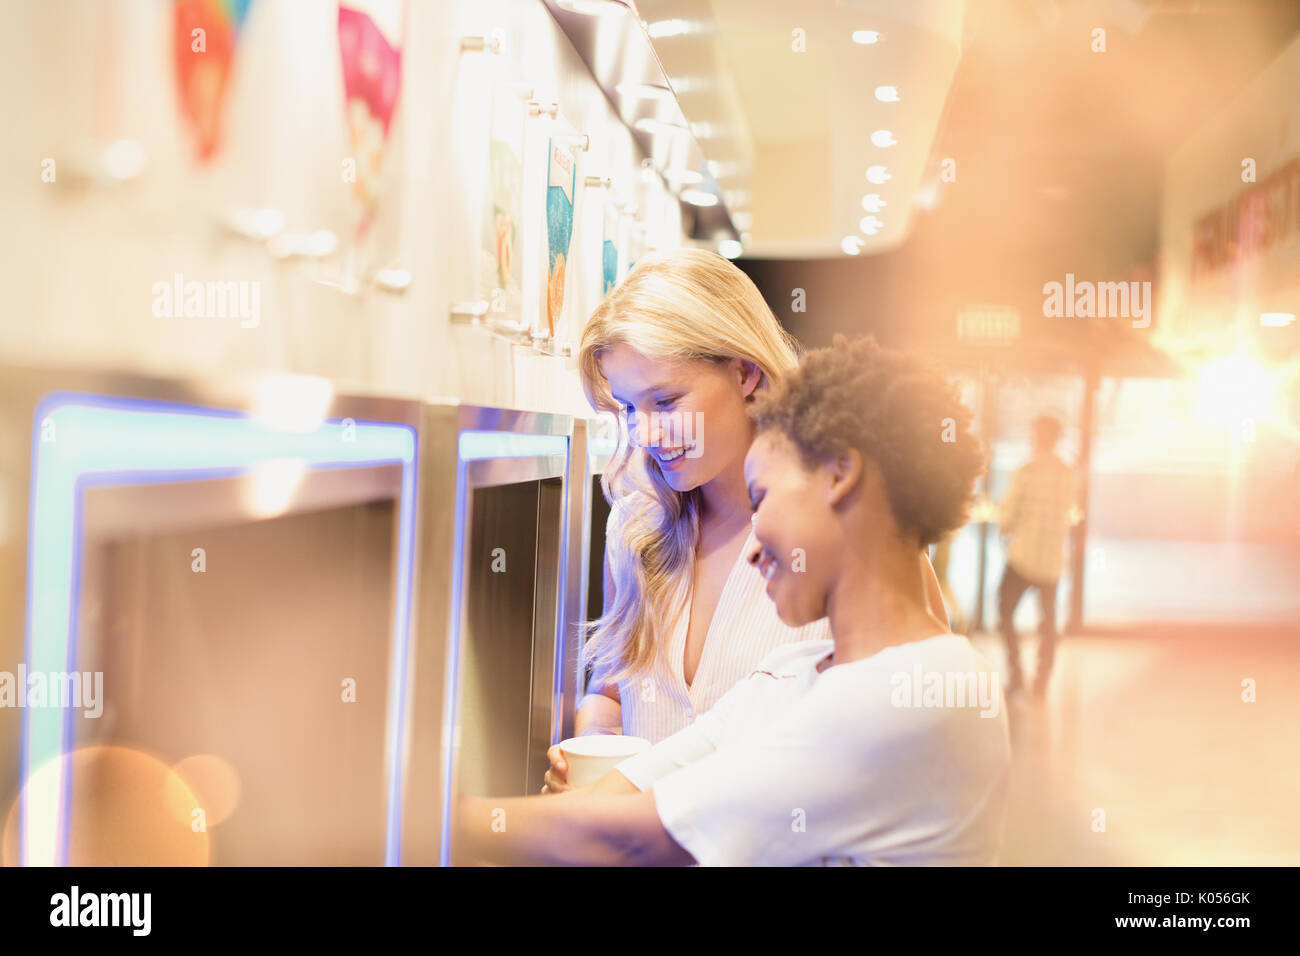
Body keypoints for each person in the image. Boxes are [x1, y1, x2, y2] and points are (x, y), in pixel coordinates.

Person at [457, 335, 1010, 865]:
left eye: (762, 497)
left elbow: (633, 841)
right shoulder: (793, 672)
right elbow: (623, 792)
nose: (750, 549)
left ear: (841, 474)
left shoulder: (910, 696)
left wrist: (424, 820)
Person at [543, 249, 950, 790]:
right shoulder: (636, 525)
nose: (647, 434)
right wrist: (594, 759)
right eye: (629, 409)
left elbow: (922, 736)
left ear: (744, 372)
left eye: (665, 402)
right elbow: (612, 691)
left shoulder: (853, 530)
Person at [997, 415, 1080, 697]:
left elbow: (1008, 516)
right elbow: (1072, 512)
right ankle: (1042, 681)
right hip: (1053, 562)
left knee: (1004, 611)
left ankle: (1016, 674)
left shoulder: (1027, 471)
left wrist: (1004, 527)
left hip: (1023, 558)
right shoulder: (1067, 473)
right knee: (1048, 622)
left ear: (1038, 436)